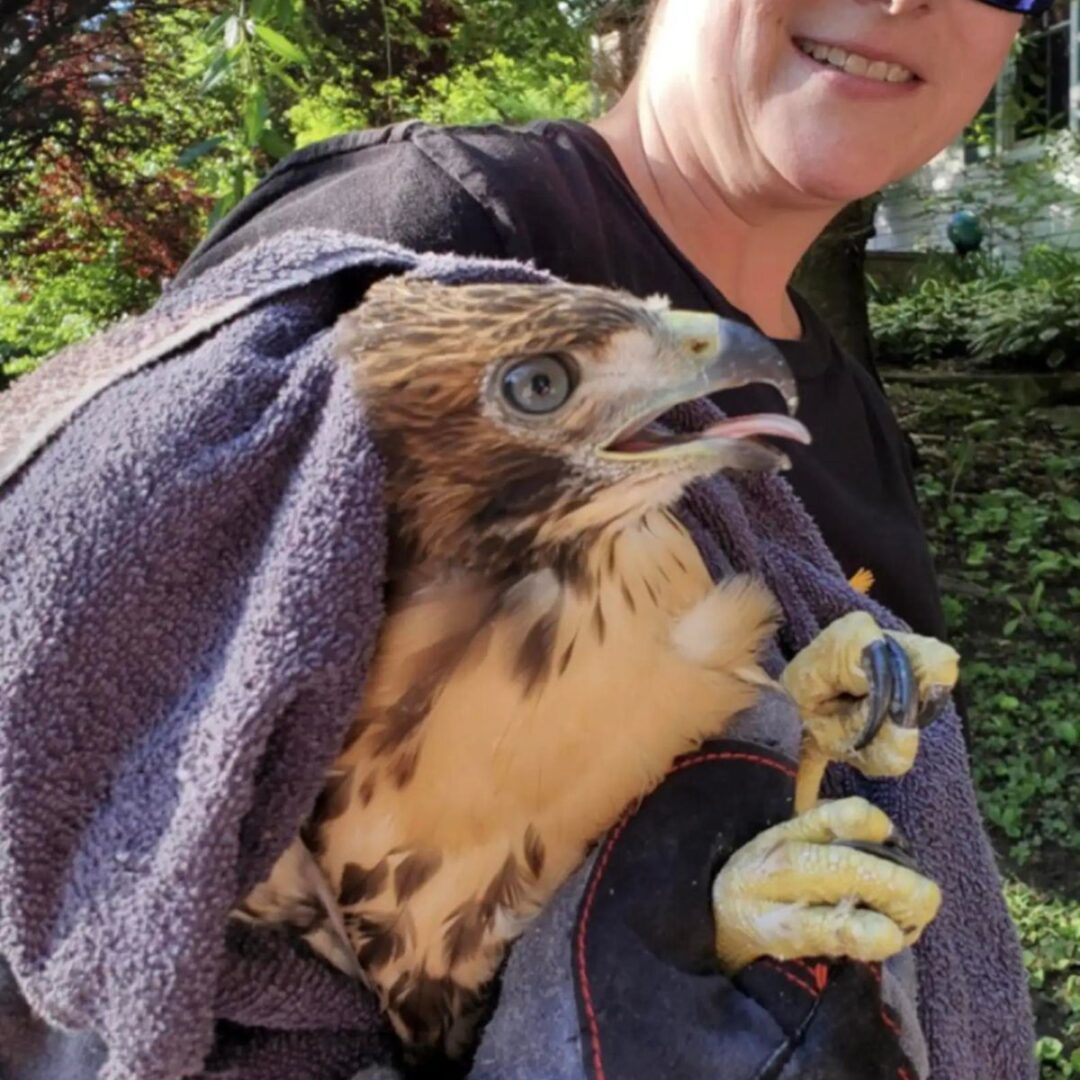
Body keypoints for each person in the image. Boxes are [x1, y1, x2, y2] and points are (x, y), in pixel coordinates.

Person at [165, 0, 1037, 1075]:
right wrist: (657, 956)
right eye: (540, 386)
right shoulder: (403, 240)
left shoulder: (837, 403)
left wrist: (779, 714)